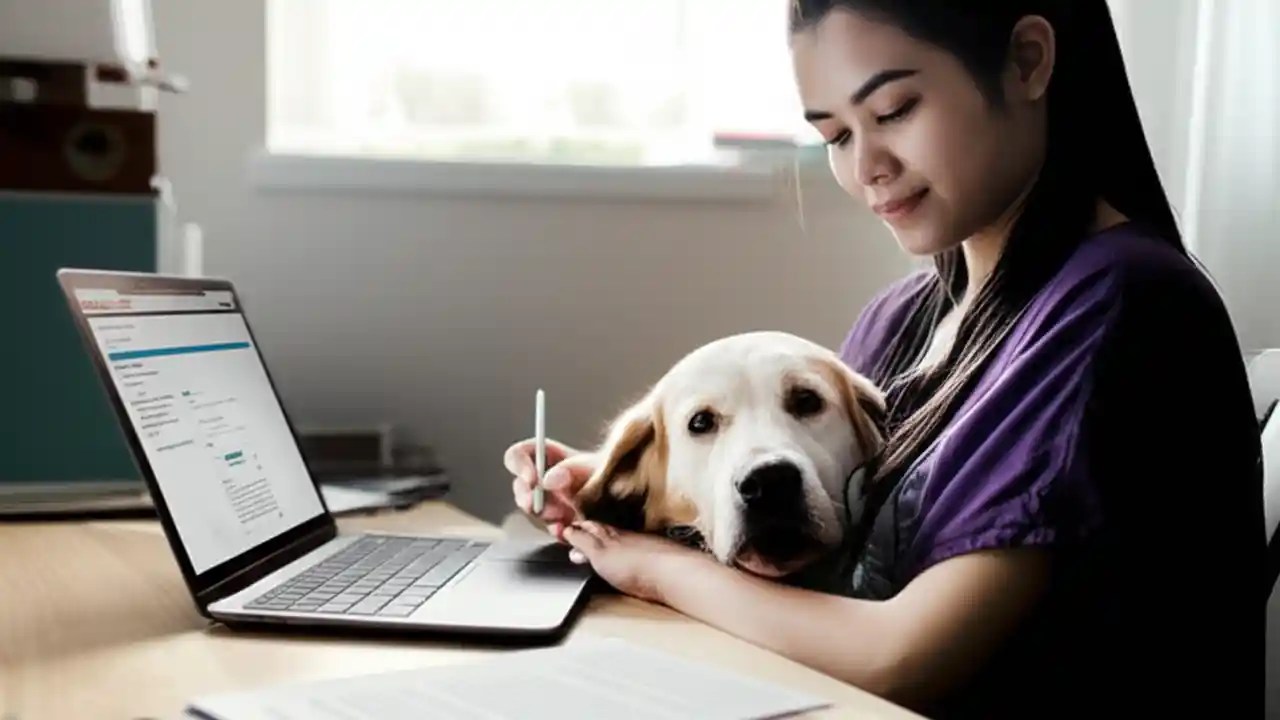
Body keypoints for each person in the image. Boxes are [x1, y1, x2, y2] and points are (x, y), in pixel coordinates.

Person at [505, 1, 1264, 717]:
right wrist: (613, 506)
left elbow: (901, 660)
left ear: (1028, 62)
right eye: (834, 135)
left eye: (894, 111)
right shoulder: (903, 317)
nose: (865, 166)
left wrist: (655, 569)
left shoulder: (1118, 305)